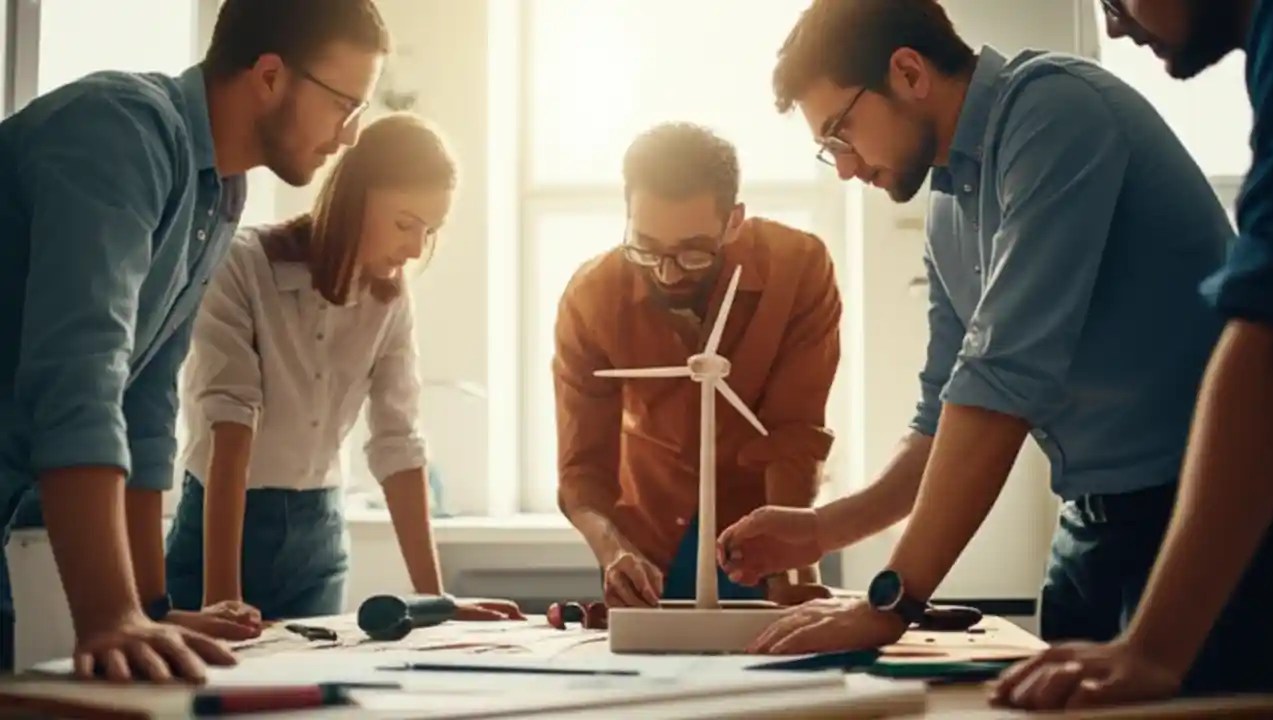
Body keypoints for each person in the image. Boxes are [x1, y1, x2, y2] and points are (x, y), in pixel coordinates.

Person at [717, 0, 1238, 666]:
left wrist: (888, 603)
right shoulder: (946, 207)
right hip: (1091, 525)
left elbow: (1003, 378)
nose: (845, 167)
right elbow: (942, 416)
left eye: (841, 133)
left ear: (908, 72)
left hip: (1207, 518)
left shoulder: (1055, 110)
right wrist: (822, 530)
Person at [0, 0, 389, 682]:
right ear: (269, 76)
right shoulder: (121, 131)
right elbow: (80, 378)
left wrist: (150, 610)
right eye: (344, 105)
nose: (351, 136)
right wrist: (109, 615)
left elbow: (146, 403)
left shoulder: (220, 192)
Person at [990, 0, 1273, 709]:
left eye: (1116, 0)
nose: (1115, 25)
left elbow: (1270, 334)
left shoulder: (1057, 106)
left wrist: (1153, 647)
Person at [165, 113, 524, 624]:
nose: (415, 249)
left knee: (316, 674)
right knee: (211, 671)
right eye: (405, 224)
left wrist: (436, 602)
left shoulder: (391, 299)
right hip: (218, 527)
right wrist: (220, 595)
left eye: (429, 231)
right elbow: (231, 422)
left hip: (319, 534)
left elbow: (398, 442)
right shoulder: (240, 263)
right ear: (355, 198)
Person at [554, 122, 842, 608]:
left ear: (733, 221)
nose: (667, 273)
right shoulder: (592, 297)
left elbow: (795, 434)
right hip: (649, 540)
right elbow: (582, 468)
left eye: (692, 253)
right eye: (645, 247)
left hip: (760, 534)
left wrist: (786, 567)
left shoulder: (798, 268)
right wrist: (614, 551)